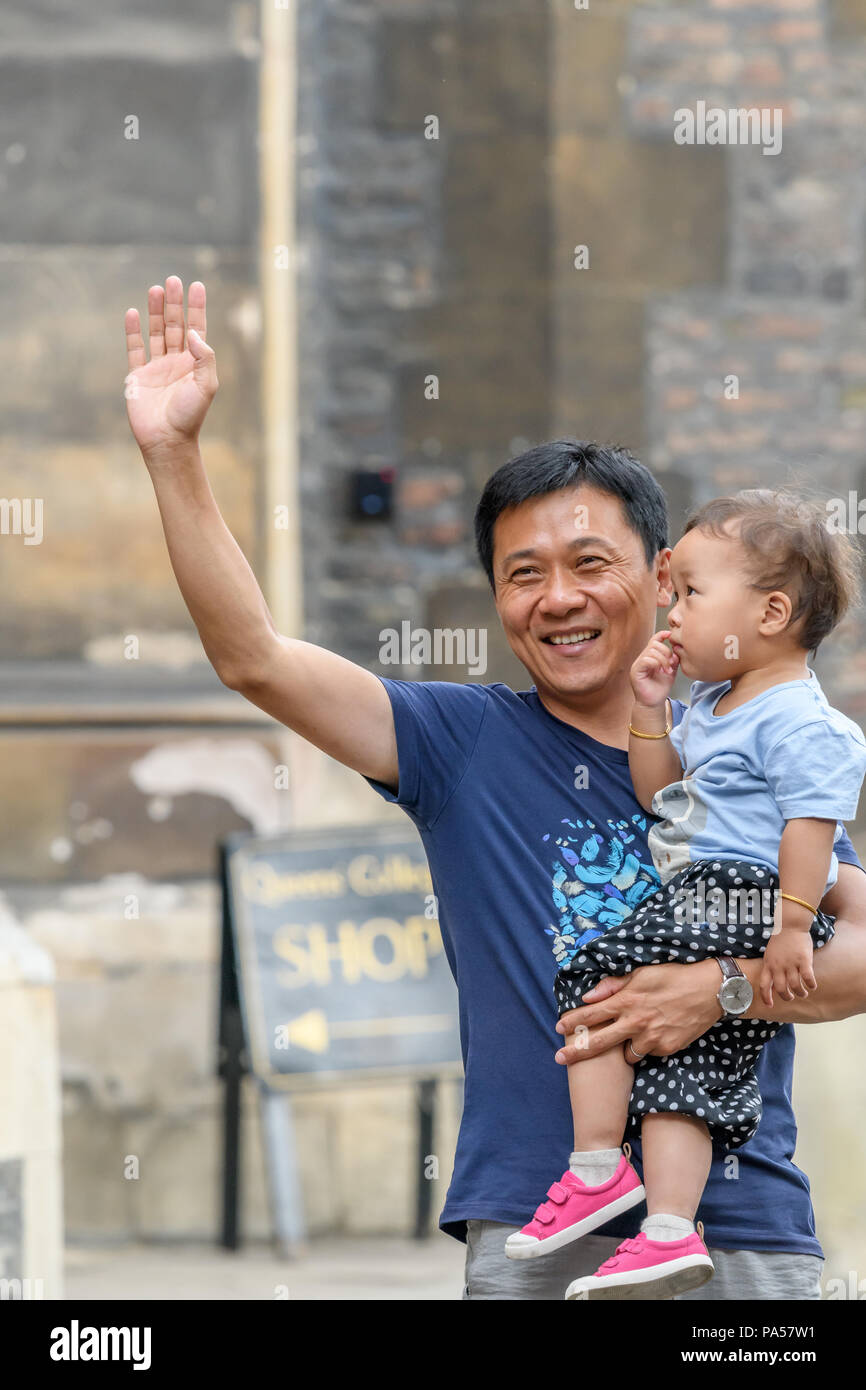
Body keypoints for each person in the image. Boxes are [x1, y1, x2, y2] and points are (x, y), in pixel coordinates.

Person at [123, 278, 866, 1300]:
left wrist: (714, 988)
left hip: (740, 1231)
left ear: (660, 579)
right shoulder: (459, 742)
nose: (555, 597)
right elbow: (253, 658)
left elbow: (860, 951)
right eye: (521, 574)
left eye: (587, 562)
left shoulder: (748, 749)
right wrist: (174, 458)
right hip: (537, 1227)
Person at [504, 491, 866, 1299]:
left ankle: (599, 1169)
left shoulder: (801, 723)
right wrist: (649, 710)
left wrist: (789, 929)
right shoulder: (712, 704)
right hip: (708, 889)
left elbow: (810, 833)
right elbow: (660, 794)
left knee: (592, 982)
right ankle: (668, 1227)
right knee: (681, 1068)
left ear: (771, 612)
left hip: (736, 894)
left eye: (692, 593)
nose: (673, 610)